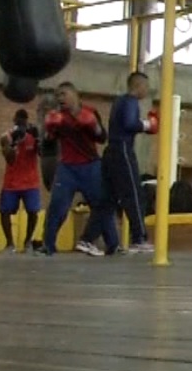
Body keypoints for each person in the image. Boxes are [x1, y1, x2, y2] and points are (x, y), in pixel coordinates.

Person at [39, 82, 120, 256]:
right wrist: (48, 130)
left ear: (74, 94)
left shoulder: (90, 111)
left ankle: (113, 244)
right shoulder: (58, 117)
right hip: (67, 168)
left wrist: (93, 125)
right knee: (57, 206)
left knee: (101, 205)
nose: (60, 98)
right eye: (58, 95)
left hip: (91, 166)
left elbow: (102, 138)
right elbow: (48, 143)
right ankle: (48, 245)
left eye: (63, 94)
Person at [93, 71, 155, 253]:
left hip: (111, 151)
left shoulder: (119, 101)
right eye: (146, 86)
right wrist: (147, 124)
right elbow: (129, 123)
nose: (147, 91)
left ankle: (87, 239)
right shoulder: (130, 101)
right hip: (122, 150)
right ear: (138, 86)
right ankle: (139, 238)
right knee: (134, 194)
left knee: (108, 199)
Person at [0, 109, 42, 253]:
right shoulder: (6, 136)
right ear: (14, 121)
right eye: (19, 121)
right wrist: (14, 143)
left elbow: (42, 153)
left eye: (24, 121)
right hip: (12, 182)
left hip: (30, 181)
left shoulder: (32, 135)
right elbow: (9, 159)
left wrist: (38, 139)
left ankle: (28, 241)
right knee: (5, 211)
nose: (22, 124)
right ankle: (9, 243)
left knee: (33, 211)